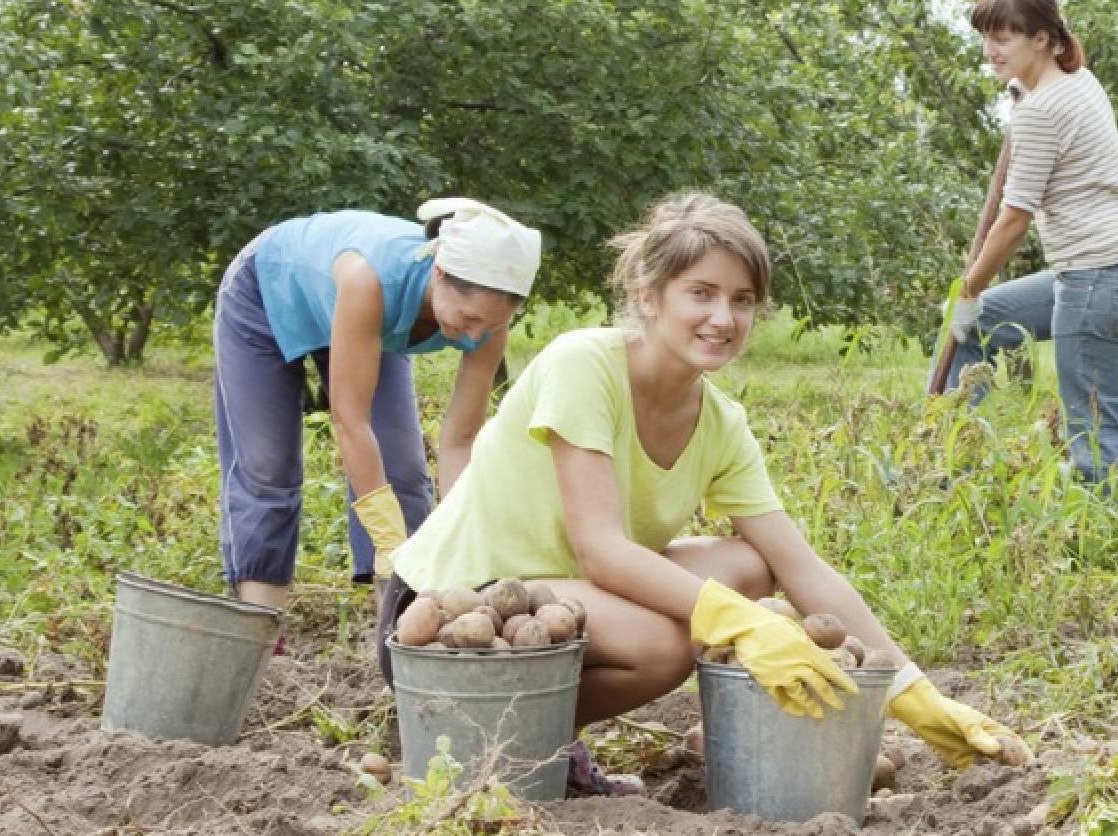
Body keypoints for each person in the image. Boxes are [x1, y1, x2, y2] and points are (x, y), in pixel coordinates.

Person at [379, 192, 1020, 797]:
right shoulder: (584, 364)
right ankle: (462, 731)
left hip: (563, 601)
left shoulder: (721, 423)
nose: (723, 317)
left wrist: (914, 697)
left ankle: (538, 736)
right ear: (647, 296)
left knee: (753, 564)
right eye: (701, 293)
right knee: (664, 643)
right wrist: (744, 625)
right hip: (451, 615)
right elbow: (600, 550)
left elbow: (801, 568)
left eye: (742, 300)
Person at [213, 198, 541, 613]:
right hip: (267, 292)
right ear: (438, 273)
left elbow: (461, 437)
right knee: (268, 468)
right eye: (468, 317)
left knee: (401, 468)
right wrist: (388, 539)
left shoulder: (488, 321)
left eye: (490, 325)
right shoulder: (370, 281)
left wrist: (461, 527)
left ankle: (400, 633)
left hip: (370, 322)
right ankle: (259, 622)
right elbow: (351, 422)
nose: (474, 334)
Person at [940, 0, 1118, 486]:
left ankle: (1112, 536)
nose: (988, 51)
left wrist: (969, 291)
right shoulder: (1077, 80)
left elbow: (1014, 219)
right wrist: (1020, 81)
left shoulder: (1041, 111)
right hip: (1114, 272)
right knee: (981, 328)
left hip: (1096, 279)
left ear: (1040, 39)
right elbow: (1037, 76)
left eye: (1002, 39)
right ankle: (957, 466)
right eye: (985, 37)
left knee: (1094, 426)